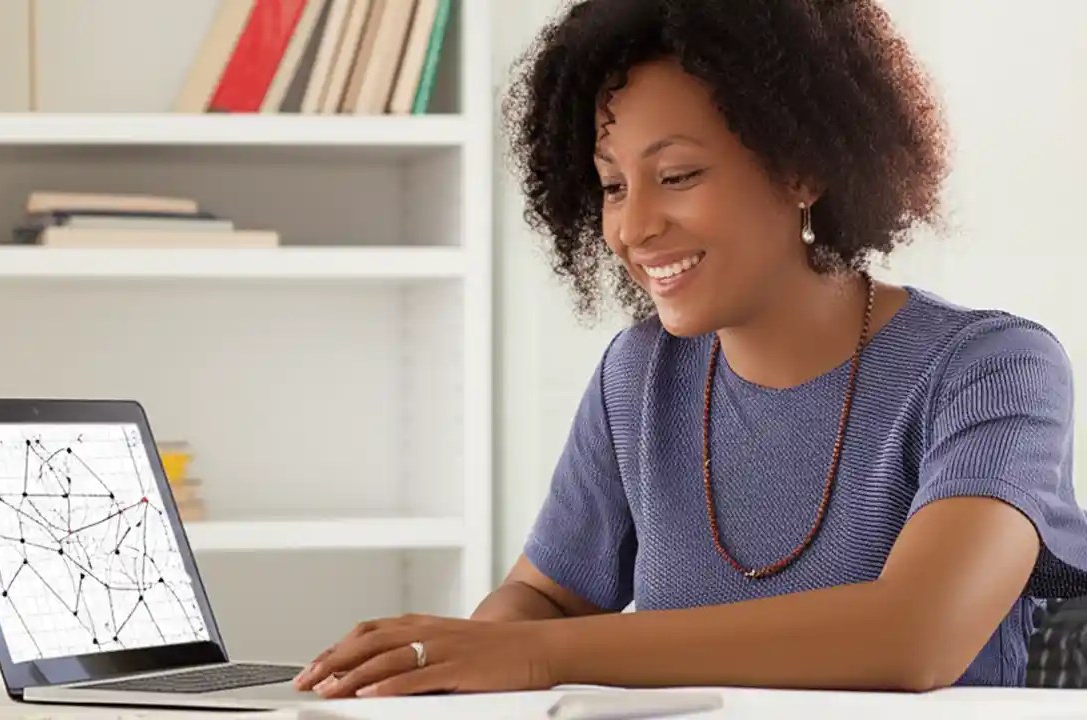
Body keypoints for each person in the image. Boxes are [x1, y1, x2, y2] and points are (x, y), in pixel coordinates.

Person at [293, 0, 1087, 697]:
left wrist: (537, 657)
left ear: (802, 167)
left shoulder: (990, 368)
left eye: (677, 175)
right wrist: (440, 668)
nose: (633, 228)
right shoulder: (638, 376)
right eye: (611, 185)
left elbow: (918, 635)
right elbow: (544, 600)